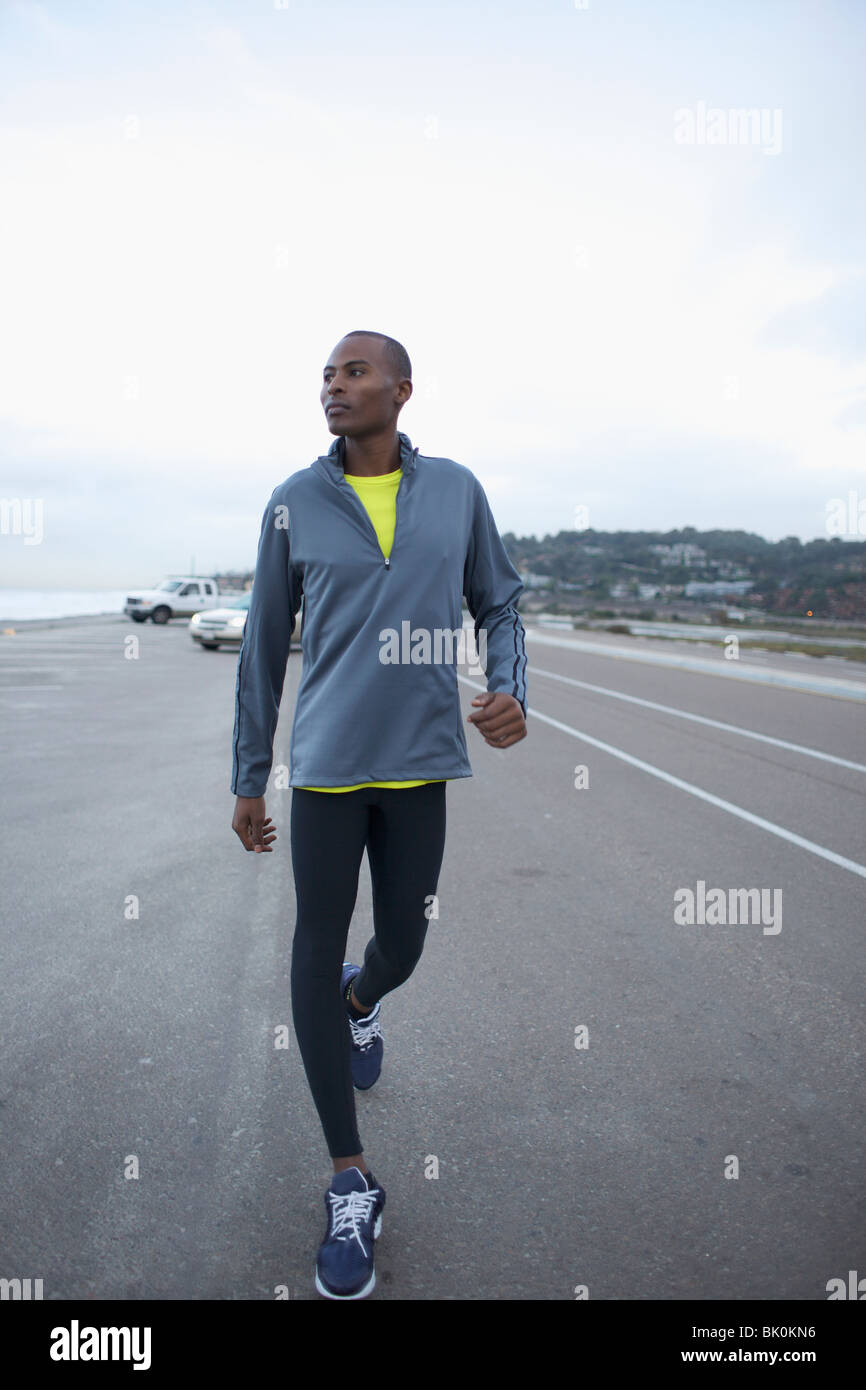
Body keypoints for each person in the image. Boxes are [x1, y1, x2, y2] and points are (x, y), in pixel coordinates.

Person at [230, 331, 528, 1299]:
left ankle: (363, 1001)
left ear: (401, 389)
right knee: (314, 943)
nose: (333, 385)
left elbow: (501, 601)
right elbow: (263, 644)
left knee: (401, 943)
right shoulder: (292, 503)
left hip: (421, 766)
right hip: (323, 773)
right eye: (325, 374)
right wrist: (247, 775)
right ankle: (348, 1178)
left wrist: (509, 691)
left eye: (353, 372)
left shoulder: (455, 490)